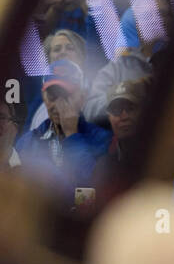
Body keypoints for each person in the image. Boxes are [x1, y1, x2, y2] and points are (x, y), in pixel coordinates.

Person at [14, 59, 111, 190]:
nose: (58, 105)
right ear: (44, 97)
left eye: (65, 95)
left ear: (82, 98)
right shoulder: (26, 142)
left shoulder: (103, 140)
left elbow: (96, 186)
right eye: (52, 95)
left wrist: (72, 134)